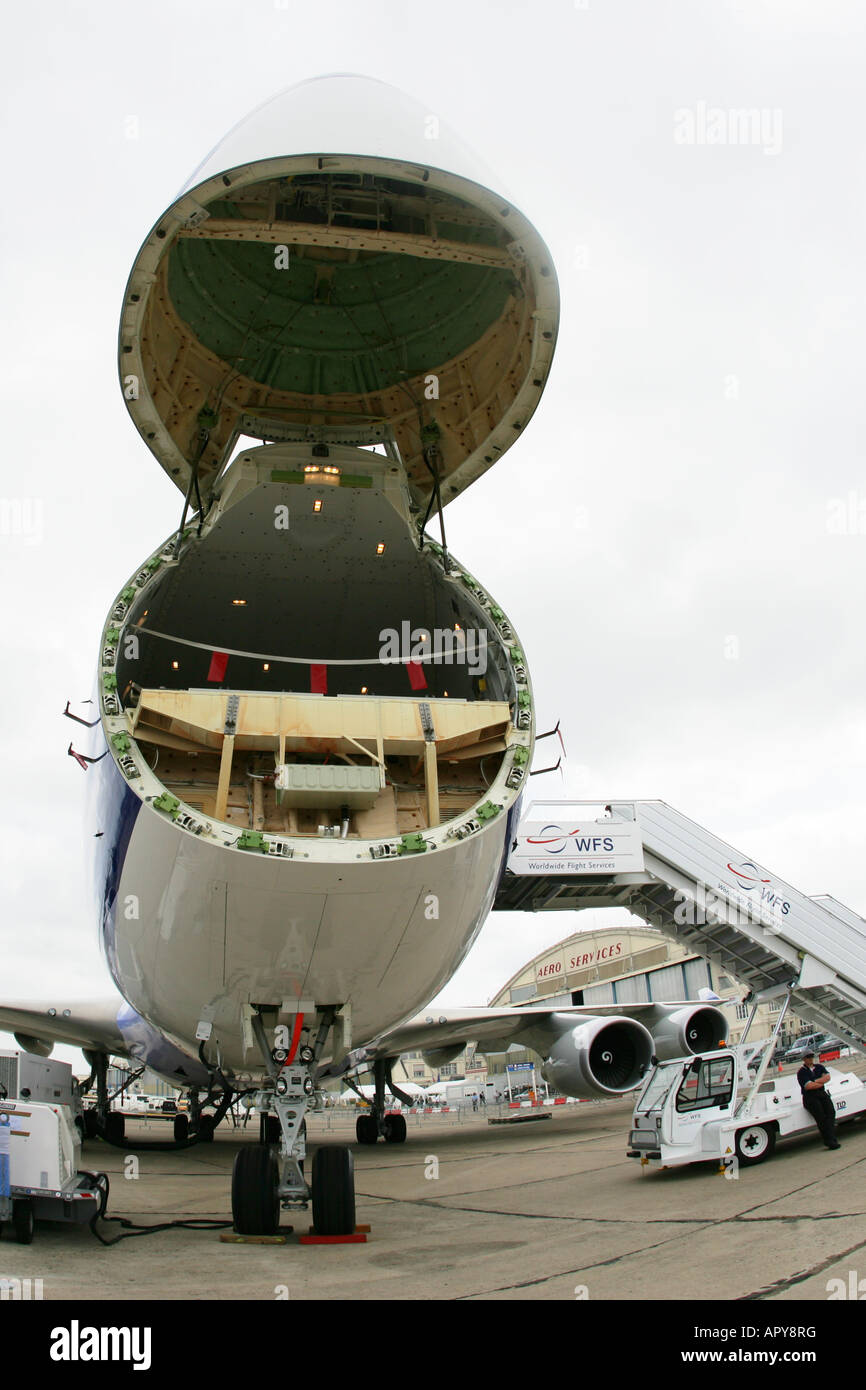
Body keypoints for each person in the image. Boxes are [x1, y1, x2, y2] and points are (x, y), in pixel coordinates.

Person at [796, 1050, 840, 1149]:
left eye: (811, 1056)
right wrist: (820, 1082)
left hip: (821, 1093)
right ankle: (830, 1141)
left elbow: (827, 1077)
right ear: (803, 1059)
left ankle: (830, 1137)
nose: (810, 1058)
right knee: (821, 1118)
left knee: (831, 1112)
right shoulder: (801, 1072)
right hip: (810, 1097)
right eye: (808, 1057)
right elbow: (808, 1086)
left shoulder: (819, 1067)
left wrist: (815, 1081)